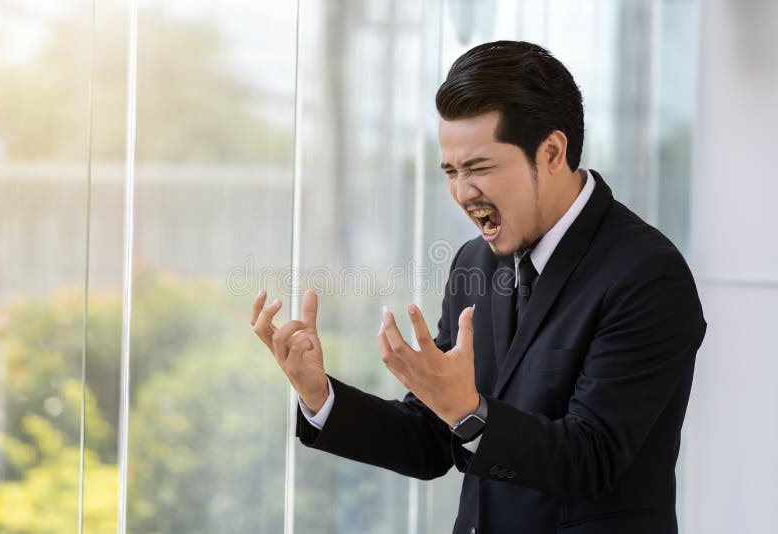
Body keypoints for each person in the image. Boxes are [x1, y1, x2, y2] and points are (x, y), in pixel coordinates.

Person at [251, 40, 706, 534]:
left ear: (552, 152)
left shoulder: (646, 274)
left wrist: (465, 409)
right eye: (451, 171)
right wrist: (318, 394)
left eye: (480, 168)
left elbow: (589, 459)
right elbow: (431, 438)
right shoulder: (476, 263)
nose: (463, 193)